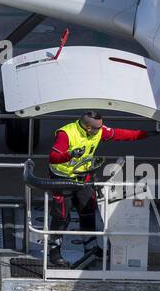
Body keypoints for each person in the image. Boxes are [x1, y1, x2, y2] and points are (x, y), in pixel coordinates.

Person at [46, 110, 150, 267]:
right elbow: (53, 157)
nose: (102, 130)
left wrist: (145, 134)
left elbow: (120, 134)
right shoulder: (66, 134)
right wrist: (70, 154)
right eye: (98, 127)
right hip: (62, 180)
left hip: (84, 177)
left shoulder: (98, 130)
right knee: (61, 216)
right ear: (88, 128)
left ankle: (91, 248)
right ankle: (54, 252)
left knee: (88, 210)